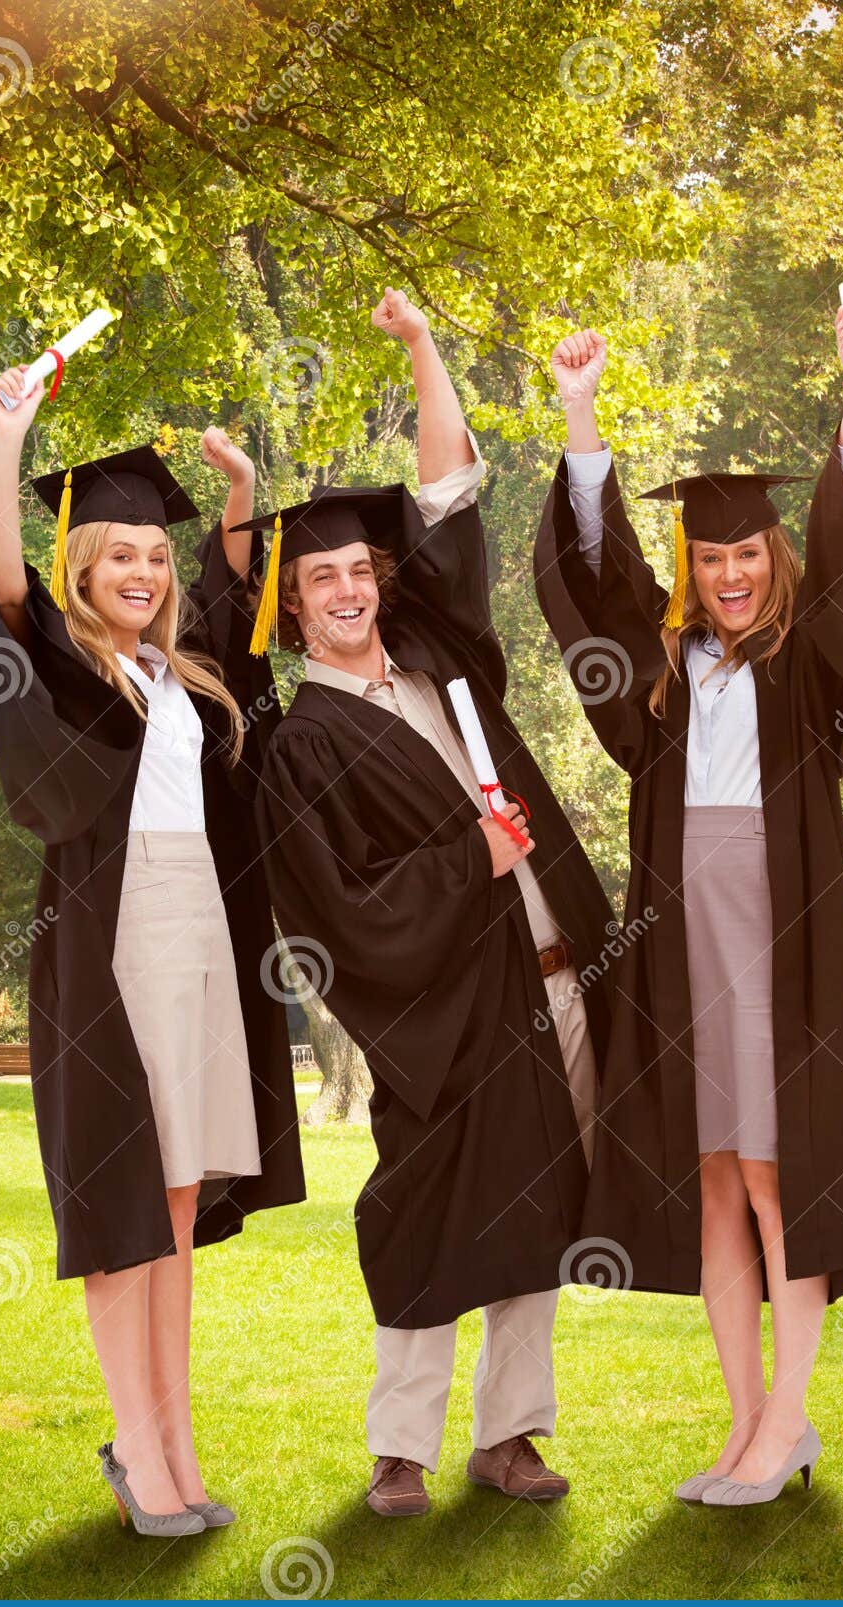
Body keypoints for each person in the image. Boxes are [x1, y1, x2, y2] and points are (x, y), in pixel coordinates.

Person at [532, 308, 843, 1506]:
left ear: (774, 559)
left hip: (780, 940)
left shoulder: (808, 670)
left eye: (746, 553)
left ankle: (787, 1415)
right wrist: (578, 412)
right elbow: (593, 578)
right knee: (708, 1171)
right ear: (692, 572)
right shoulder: (659, 679)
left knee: (773, 1171)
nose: (730, 573)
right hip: (679, 944)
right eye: (709, 559)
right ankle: (749, 1428)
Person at [238, 289, 616, 1517]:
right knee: (416, 1210)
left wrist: (417, 345)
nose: (346, 589)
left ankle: (512, 1437)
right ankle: (397, 1447)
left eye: (360, 569)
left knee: (537, 1211)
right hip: (441, 1011)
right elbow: (337, 908)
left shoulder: (442, 660)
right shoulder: (299, 744)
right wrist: (474, 860)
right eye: (321, 578)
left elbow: (450, 495)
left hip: (552, 979)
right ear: (290, 603)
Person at [0, 367, 305, 1536]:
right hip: (111, 940)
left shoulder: (184, 673)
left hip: (201, 927)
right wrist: (10, 439)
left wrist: (245, 493)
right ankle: (140, 1450)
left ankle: (171, 1441)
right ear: (83, 571)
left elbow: (230, 585)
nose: (146, 575)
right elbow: (0, 592)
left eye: (153, 560)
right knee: (121, 1200)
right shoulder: (67, 668)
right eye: (121, 558)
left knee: (172, 1202)